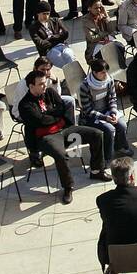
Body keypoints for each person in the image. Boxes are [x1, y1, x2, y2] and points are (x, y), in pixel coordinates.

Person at [19, 70, 108, 204]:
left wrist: (51, 115)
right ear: (31, 86)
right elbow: (39, 121)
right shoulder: (25, 105)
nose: (45, 86)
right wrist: (55, 116)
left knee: (96, 134)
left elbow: (62, 107)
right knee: (61, 154)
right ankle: (68, 187)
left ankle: (97, 170)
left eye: (45, 83)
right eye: (41, 84)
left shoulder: (49, 92)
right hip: (46, 136)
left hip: (63, 129)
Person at [79, 57, 132, 162]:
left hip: (107, 111)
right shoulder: (85, 86)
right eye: (102, 73)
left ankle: (120, 147)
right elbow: (87, 110)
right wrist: (104, 118)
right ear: (94, 72)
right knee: (109, 129)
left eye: (106, 72)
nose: (105, 75)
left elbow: (112, 98)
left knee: (121, 125)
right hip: (91, 117)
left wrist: (113, 112)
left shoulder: (109, 80)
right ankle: (107, 157)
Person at [30, 2, 73, 69]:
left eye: (48, 14)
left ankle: (75, 77)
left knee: (70, 56)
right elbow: (40, 43)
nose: (46, 16)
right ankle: (73, 77)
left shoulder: (55, 20)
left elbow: (65, 34)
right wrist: (58, 37)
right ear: (38, 13)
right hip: (48, 50)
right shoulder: (33, 27)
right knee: (63, 61)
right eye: (44, 14)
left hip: (62, 45)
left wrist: (52, 38)